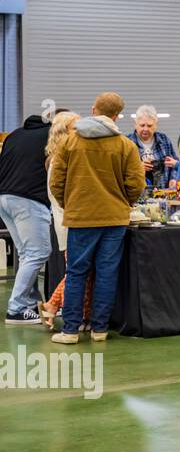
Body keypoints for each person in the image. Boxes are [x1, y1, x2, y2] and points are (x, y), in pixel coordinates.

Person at [48, 92, 145, 344]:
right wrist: (125, 203)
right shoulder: (125, 145)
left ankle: (70, 330)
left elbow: (57, 181)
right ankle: (99, 329)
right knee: (106, 273)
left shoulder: (70, 142)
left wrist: (70, 204)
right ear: (117, 116)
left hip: (81, 218)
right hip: (114, 219)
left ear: (93, 109)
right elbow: (136, 183)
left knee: (77, 272)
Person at [0, 111, 52, 324]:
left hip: (4, 198)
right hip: (29, 199)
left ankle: (30, 303)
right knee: (38, 253)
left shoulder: (14, 135)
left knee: (25, 253)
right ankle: (16, 308)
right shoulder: (51, 134)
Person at [39, 110, 83, 329]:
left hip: (68, 220)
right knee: (77, 271)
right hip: (68, 222)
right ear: (64, 132)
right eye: (76, 128)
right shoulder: (59, 160)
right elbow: (61, 195)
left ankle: (51, 306)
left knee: (75, 270)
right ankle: (62, 310)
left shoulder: (60, 157)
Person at [127, 105, 178, 191]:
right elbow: (121, 172)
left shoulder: (164, 140)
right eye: (142, 125)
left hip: (163, 195)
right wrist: (137, 169)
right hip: (136, 195)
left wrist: (173, 179)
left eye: (149, 126)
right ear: (135, 124)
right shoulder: (127, 143)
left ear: (156, 125)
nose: (146, 129)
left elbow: (175, 164)